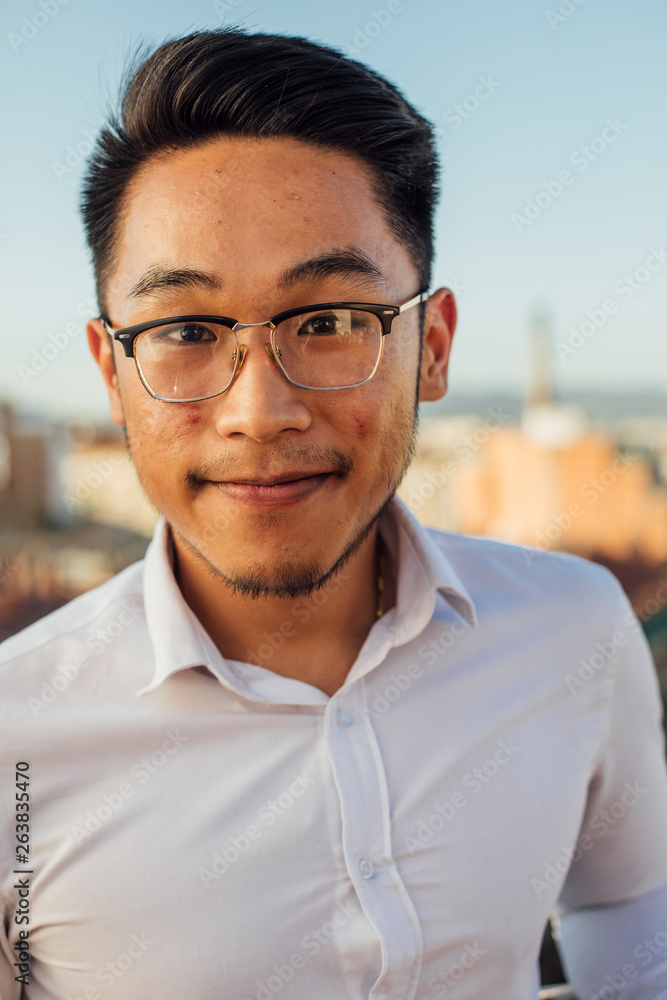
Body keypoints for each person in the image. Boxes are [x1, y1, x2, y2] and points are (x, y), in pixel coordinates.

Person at [1, 27, 666, 1000]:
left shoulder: (574, 629)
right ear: (112, 374)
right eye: (185, 330)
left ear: (431, 347)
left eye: (329, 322)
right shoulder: (16, 738)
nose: (258, 411)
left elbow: (626, 900)